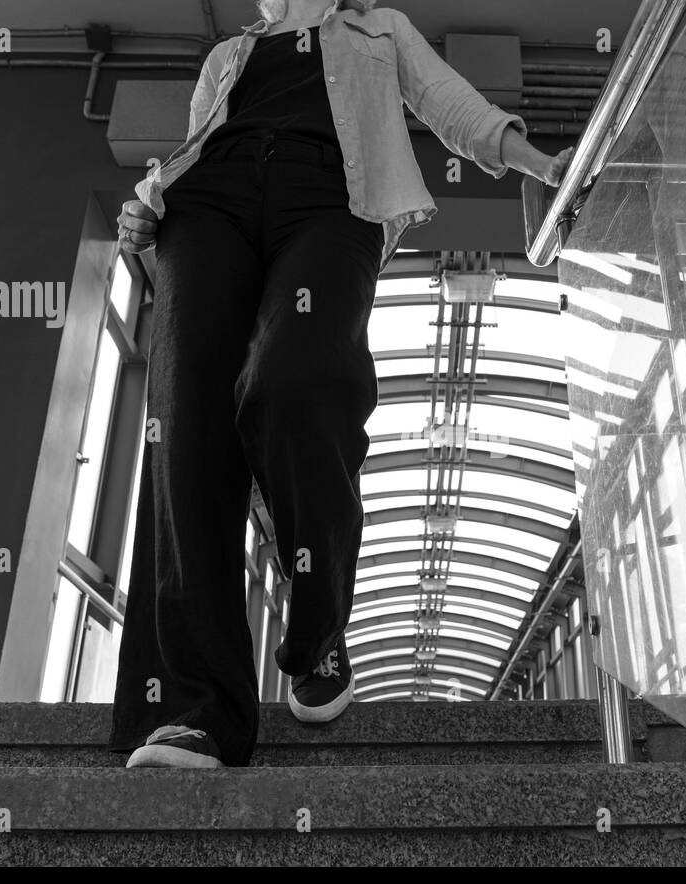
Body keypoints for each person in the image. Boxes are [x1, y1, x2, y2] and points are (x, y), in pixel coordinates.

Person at [108, 0, 574, 769]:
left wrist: (546, 165)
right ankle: (197, 711)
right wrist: (148, 204)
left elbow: (453, 106)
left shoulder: (378, 28)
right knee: (185, 429)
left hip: (330, 205)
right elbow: (194, 146)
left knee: (297, 378)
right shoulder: (228, 54)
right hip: (204, 212)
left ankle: (319, 630)